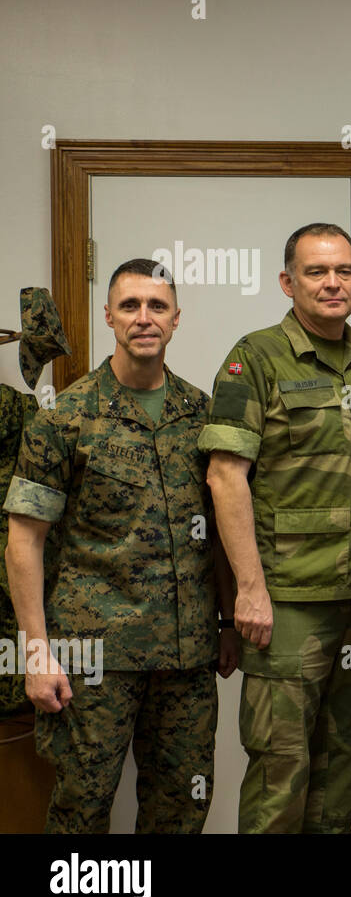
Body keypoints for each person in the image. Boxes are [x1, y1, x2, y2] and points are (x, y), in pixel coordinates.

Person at [4, 259, 237, 832]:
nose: (144, 317)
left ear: (177, 319)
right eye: (130, 306)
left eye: (157, 306)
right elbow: (24, 541)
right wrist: (35, 652)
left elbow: (222, 529)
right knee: (81, 808)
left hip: (185, 655)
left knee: (182, 807)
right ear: (108, 316)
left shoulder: (201, 414)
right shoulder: (65, 418)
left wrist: (228, 622)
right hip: (94, 657)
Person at [200, 223, 351, 833]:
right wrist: (248, 594)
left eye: (343, 270)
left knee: (343, 771)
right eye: (316, 272)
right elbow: (225, 478)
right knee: (281, 774)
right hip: (288, 605)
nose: (332, 282)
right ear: (288, 282)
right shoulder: (255, 357)